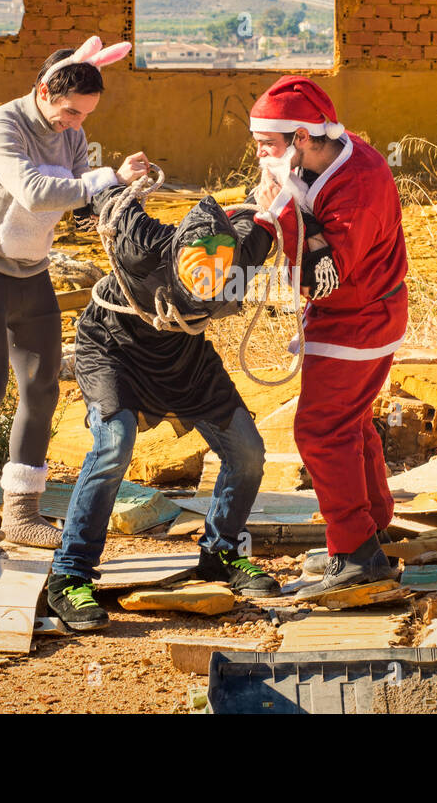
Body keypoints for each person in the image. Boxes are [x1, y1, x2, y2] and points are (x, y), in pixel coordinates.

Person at [43, 183, 283, 631]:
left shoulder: (244, 251)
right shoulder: (143, 245)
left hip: (185, 357)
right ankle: (69, 574)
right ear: (175, 263)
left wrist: (273, 178)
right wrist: (120, 177)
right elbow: (108, 195)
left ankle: (221, 553)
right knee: (114, 444)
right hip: (114, 348)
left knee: (247, 452)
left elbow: (264, 205)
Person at [0, 36, 148, 550]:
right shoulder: (1, 125)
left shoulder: (71, 134)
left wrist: (127, 194)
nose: (75, 123)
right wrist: (105, 178)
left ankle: (22, 513)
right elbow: (33, 190)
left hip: (31, 270)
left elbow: (84, 200)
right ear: (43, 91)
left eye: (85, 115)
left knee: (42, 387)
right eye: (70, 111)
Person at [248, 75, 409, 599]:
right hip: (361, 314)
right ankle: (371, 529)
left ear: (299, 138)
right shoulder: (332, 155)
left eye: (267, 144)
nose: (260, 155)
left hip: (358, 319)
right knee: (351, 421)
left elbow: (325, 274)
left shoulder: (357, 184)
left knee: (321, 431)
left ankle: (357, 556)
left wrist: (285, 204)